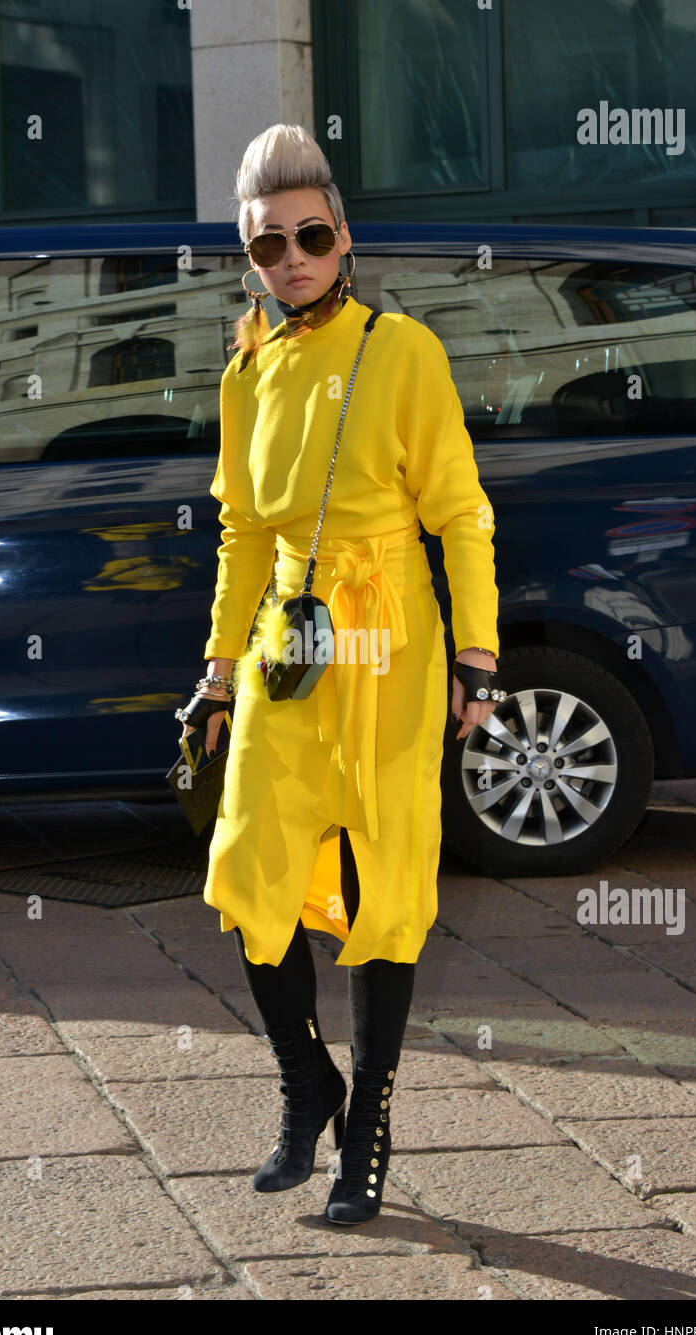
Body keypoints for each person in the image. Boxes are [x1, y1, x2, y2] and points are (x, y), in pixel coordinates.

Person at [177, 124, 501, 1225]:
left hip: (393, 644)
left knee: (382, 887)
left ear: (346, 240)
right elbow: (242, 537)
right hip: (288, 649)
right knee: (248, 876)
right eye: (272, 245)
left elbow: (460, 511)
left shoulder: (402, 351)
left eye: (312, 235)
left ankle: (369, 1125)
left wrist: (478, 655)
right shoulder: (247, 371)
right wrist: (219, 675)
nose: (295, 257)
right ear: (250, 258)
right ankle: (305, 1079)